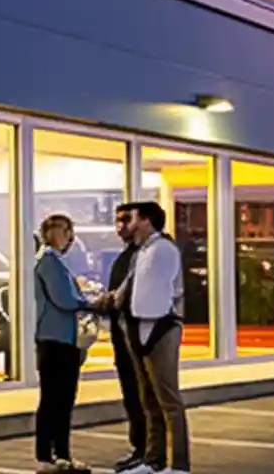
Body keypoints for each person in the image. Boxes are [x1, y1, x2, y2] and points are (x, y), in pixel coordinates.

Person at [113, 201, 190, 474]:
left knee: (169, 400)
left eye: (132, 219)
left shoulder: (163, 250)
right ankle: (153, 460)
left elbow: (155, 294)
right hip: (140, 329)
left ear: (146, 221)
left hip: (160, 329)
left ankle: (179, 465)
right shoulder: (143, 252)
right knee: (149, 401)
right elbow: (129, 289)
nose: (129, 225)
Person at [32, 214, 95, 474]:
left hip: (58, 338)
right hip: (56, 340)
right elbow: (65, 299)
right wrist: (91, 302)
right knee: (56, 400)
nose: (67, 236)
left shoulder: (52, 261)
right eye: (64, 230)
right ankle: (48, 457)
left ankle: (61, 455)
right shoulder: (49, 261)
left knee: (60, 401)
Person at [109, 203, 147, 472]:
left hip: (136, 339)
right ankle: (141, 449)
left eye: (126, 220)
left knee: (142, 396)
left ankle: (146, 451)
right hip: (123, 339)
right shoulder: (128, 256)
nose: (121, 226)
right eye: (118, 221)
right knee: (132, 395)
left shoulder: (145, 255)